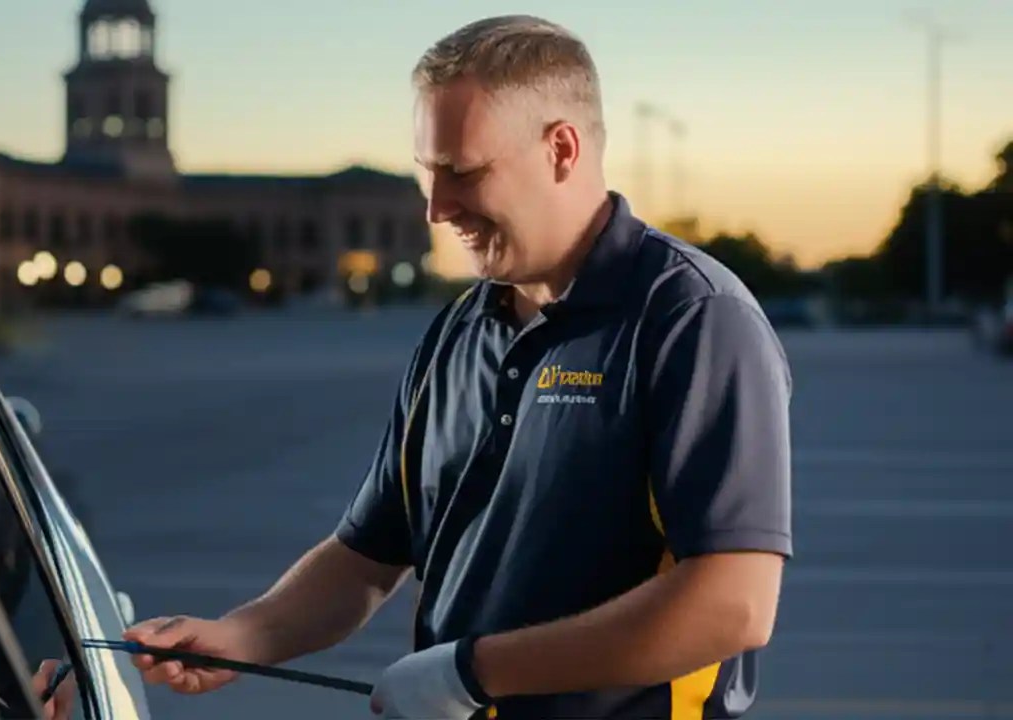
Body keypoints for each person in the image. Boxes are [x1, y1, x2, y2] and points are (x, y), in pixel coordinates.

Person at [124, 14, 793, 719]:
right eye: (427, 173)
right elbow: (367, 556)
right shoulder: (459, 331)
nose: (438, 209)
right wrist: (240, 636)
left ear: (561, 149)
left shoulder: (690, 319)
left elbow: (733, 605)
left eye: (462, 172)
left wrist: (475, 672)